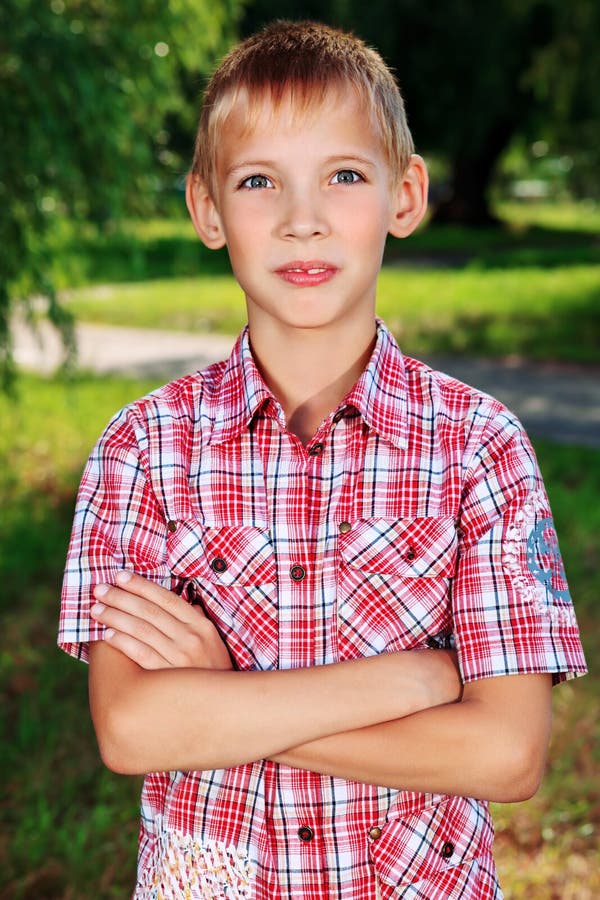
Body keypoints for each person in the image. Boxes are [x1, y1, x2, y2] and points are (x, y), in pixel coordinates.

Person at [58, 20, 586, 900]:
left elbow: (505, 753)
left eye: (343, 176)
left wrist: (227, 699)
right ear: (208, 210)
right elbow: (135, 730)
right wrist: (411, 682)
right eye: (260, 181)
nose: (303, 220)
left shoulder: (477, 446)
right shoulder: (143, 451)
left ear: (406, 196)